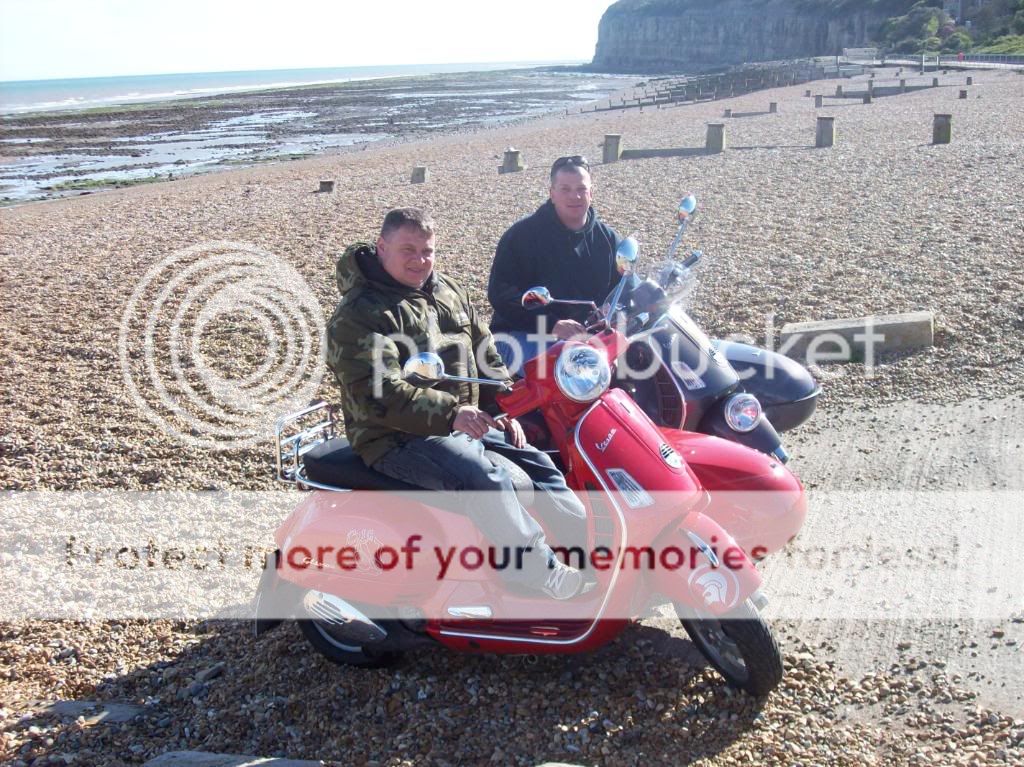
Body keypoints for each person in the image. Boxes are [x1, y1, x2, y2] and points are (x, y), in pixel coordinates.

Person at [326, 207, 589, 600]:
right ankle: (536, 573)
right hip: (395, 437)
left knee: (542, 463)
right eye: (408, 250)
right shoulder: (358, 316)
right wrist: (451, 414)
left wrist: (506, 406)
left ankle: (589, 553)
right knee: (486, 480)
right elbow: (376, 392)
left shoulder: (447, 290)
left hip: (465, 422)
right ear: (382, 247)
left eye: (428, 251)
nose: (420, 261)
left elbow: (487, 354)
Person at [487, 155, 621, 373]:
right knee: (574, 373)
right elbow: (500, 295)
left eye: (581, 189)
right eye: (565, 189)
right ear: (552, 193)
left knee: (638, 361)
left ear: (591, 193)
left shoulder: (608, 239)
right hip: (521, 333)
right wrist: (552, 326)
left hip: (586, 336)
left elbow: (623, 289)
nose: (574, 196)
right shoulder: (522, 236)